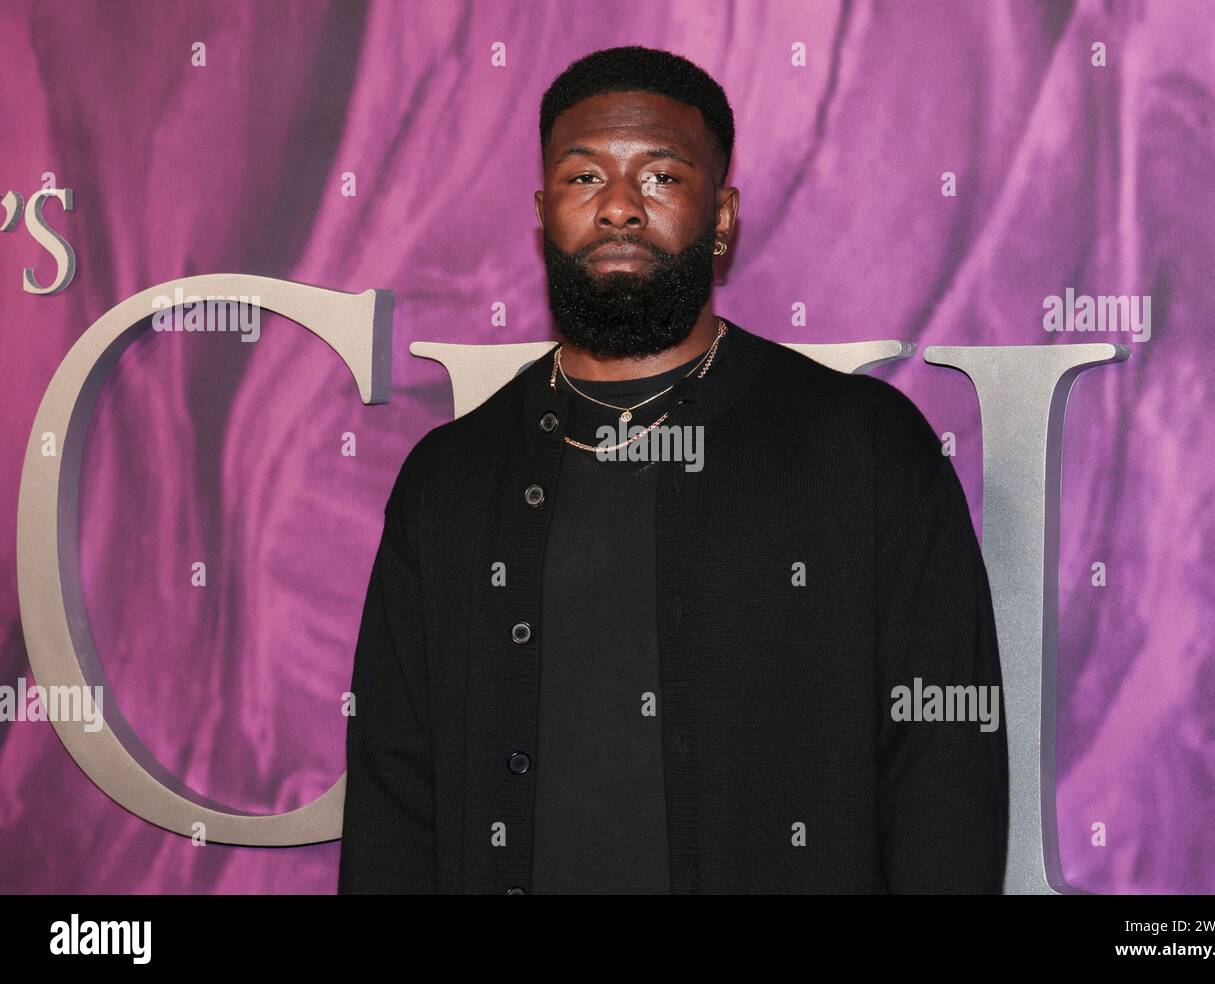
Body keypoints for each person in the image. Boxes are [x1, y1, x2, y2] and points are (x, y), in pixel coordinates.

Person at [339, 44, 1008, 894]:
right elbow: (396, 796)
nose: (618, 206)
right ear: (544, 213)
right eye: (584, 179)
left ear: (722, 217)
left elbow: (944, 779)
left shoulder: (864, 449)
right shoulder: (452, 477)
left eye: (659, 177)